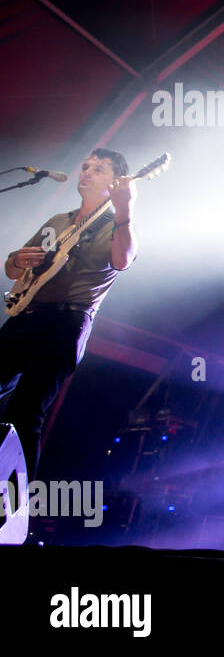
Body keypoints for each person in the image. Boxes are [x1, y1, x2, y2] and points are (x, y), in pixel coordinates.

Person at [1, 149, 137, 481]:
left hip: (67, 322)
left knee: (27, 411)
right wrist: (16, 259)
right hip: (27, 314)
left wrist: (125, 208)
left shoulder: (117, 224)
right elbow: (11, 270)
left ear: (115, 182)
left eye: (99, 169)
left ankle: (14, 508)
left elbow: (123, 260)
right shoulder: (58, 221)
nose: (87, 172)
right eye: (86, 166)